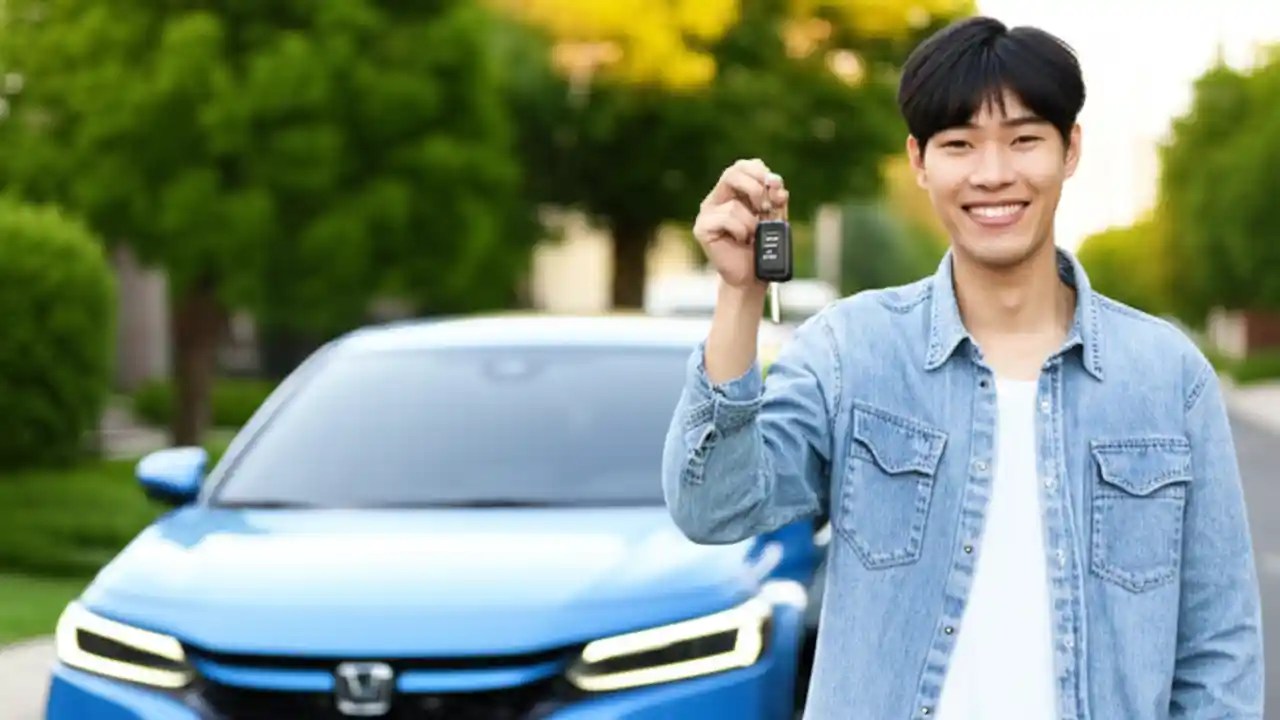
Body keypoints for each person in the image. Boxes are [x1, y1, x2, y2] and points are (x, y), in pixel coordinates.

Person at [661, 15, 1264, 720]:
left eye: (1024, 140)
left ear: (1070, 149)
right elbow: (713, 506)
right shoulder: (851, 353)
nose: (993, 174)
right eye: (959, 144)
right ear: (919, 161)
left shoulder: (1167, 377)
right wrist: (740, 295)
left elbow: (1219, 649)